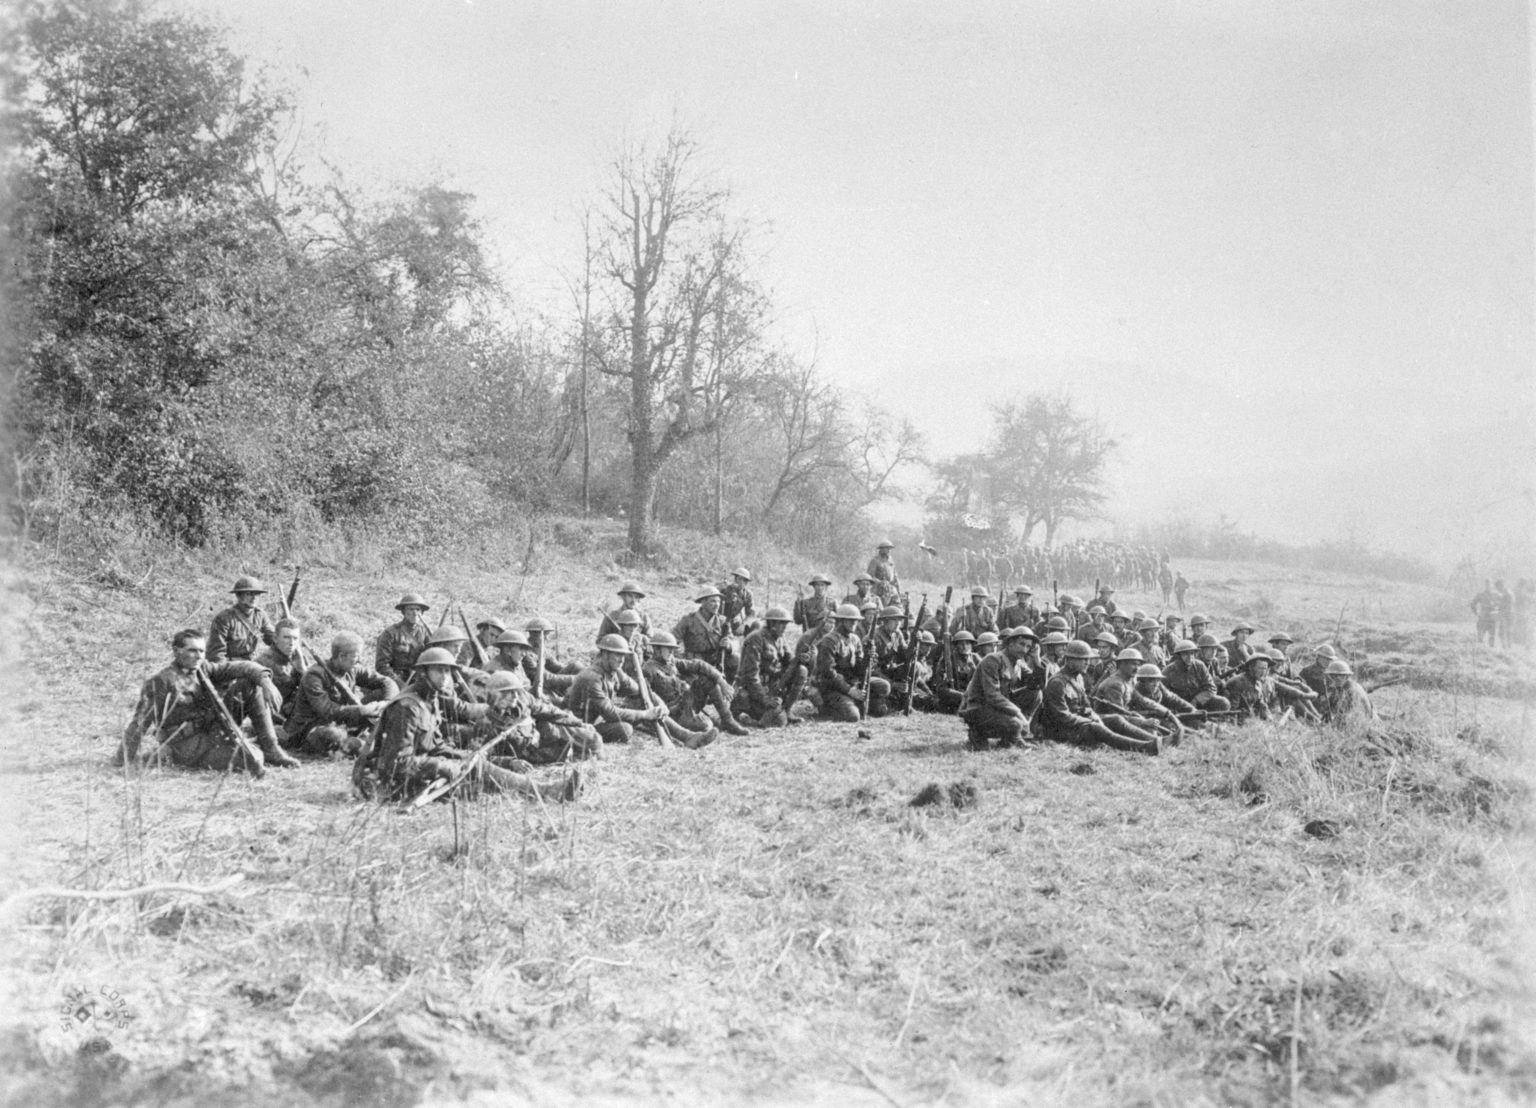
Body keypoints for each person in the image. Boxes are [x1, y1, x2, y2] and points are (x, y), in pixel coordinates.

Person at [356, 647, 578, 804]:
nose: (445, 677)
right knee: (479, 779)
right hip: (396, 783)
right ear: (423, 673)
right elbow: (395, 764)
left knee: (478, 768)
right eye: (439, 671)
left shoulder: (429, 701)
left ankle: (546, 790)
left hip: (422, 770)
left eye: (447, 671)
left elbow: (437, 746)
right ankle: (546, 791)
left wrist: (467, 757)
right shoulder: (407, 707)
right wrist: (442, 765)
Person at [116, 628, 299, 774]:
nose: (198, 656)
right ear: (176, 651)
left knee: (249, 685)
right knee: (251, 759)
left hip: (213, 731)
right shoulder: (161, 682)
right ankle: (164, 756)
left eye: (201, 651)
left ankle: (272, 749)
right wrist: (122, 758)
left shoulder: (203, 668)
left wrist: (265, 680)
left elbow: (242, 666)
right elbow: (139, 723)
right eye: (192, 651)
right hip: (188, 747)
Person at [565, 634, 712, 748]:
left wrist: (659, 705)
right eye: (617, 655)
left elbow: (639, 690)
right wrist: (645, 714)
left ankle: (687, 736)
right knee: (625, 730)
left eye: (623, 655)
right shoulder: (592, 678)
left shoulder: (614, 671)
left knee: (643, 700)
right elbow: (610, 713)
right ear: (604, 654)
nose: (621, 659)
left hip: (599, 717)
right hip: (580, 724)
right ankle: (685, 736)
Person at [1035, 640, 1162, 754]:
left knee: (1116, 719)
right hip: (1060, 730)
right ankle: (1145, 747)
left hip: (1077, 722)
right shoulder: (1057, 682)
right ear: (1070, 660)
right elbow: (1061, 716)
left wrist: (1093, 716)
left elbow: (1086, 706)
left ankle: (1155, 740)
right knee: (1096, 727)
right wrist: (1089, 720)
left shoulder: (1078, 678)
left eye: (1088, 659)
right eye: (1083, 659)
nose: (1088, 663)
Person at [285, 631, 398, 756]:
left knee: (382, 696)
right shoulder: (314, 676)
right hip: (310, 728)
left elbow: (387, 682)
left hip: (342, 722)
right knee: (332, 735)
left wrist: (386, 703)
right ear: (341, 656)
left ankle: (366, 742)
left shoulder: (353, 669)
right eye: (355, 656)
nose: (359, 660)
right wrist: (363, 711)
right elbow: (327, 711)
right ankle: (366, 745)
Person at [473, 670, 602, 764]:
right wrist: (510, 763)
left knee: (592, 738)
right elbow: (481, 757)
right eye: (508, 693)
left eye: (516, 691)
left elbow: (548, 711)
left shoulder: (522, 699)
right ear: (494, 694)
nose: (515, 696)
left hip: (543, 734)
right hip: (530, 754)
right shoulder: (484, 724)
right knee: (572, 754)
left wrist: (576, 722)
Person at [645, 631, 748, 736]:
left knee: (708, 680)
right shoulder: (648, 669)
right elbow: (645, 698)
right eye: (668, 649)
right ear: (657, 649)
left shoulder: (671, 662)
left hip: (687, 702)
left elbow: (699, 665)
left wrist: (720, 680)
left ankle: (728, 720)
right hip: (674, 713)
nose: (671, 652)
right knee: (706, 725)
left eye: (672, 649)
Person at [958, 626, 1037, 750]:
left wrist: (1037, 660)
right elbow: (992, 695)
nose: (1025, 650)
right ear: (1010, 643)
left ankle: (1014, 737)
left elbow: (1037, 684)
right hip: (978, 708)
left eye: (1028, 646)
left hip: (997, 707)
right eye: (1022, 644)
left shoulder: (1018, 662)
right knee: (1015, 724)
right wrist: (1019, 714)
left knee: (1036, 693)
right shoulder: (993, 660)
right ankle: (978, 732)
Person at [733, 606, 807, 727]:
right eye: (782, 624)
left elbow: (789, 662)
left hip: (772, 687)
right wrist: (765, 699)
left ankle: (787, 710)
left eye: (786, 624)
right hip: (753, 691)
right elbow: (751, 675)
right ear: (772, 623)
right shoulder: (755, 639)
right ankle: (747, 716)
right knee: (779, 721)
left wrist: (801, 659)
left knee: (801, 671)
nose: (784, 628)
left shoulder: (780, 639)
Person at [1092, 648, 1184, 745]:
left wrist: (1167, 713)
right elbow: (1118, 716)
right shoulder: (1115, 684)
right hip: (1107, 724)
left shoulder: (1128, 681)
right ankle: (1159, 742)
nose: (1137, 668)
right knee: (1148, 727)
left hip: (1123, 720)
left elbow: (1143, 701)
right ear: (1122, 664)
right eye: (1133, 664)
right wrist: (1142, 722)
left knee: (1152, 726)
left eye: (1138, 664)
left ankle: (1161, 739)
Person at [816, 603, 885, 722]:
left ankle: (856, 703)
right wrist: (850, 691)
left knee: (883, 687)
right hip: (833, 688)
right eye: (850, 621)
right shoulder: (829, 641)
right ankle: (827, 709)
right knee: (853, 717)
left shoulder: (855, 639)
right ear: (841, 621)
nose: (854, 624)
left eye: (856, 621)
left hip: (852, 683)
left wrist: (869, 660)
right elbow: (829, 673)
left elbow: (859, 668)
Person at [207, 576, 277, 662]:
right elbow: (217, 653)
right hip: (230, 664)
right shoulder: (224, 619)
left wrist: (282, 633)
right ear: (239, 596)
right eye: (249, 594)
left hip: (251, 662)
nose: (254, 597)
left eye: (257, 594)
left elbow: (272, 639)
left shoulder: (260, 615)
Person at [673, 587, 734, 678]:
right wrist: (682, 658)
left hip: (715, 660)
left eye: (718, 601)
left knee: (735, 659)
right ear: (703, 602)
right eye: (713, 601)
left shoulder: (722, 621)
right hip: (694, 662)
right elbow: (673, 640)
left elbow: (732, 640)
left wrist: (728, 644)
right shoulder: (689, 620)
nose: (717, 605)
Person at [375, 593, 433, 686]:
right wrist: (400, 684)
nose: (415, 613)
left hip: (418, 679)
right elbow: (382, 666)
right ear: (404, 612)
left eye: (418, 609)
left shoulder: (426, 634)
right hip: (395, 679)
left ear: (422, 613)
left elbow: (432, 660)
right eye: (411, 609)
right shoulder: (390, 633)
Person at [254, 618, 306, 719]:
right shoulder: (262, 663)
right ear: (275, 638)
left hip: (294, 712)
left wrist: (303, 670)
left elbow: (310, 689)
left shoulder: (298, 659)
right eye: (286, 637)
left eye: (295, 638)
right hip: (271, 717)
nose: (291, 643)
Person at [1161, 639, 1232, 712]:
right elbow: (1162, 694)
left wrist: (1196, 700)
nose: (1189, 657)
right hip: (1179, 705)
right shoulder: (1168, 671)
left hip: (1199, 702)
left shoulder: (1199, 666)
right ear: (1178, 656)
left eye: (1191, 654)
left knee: (1223, 703)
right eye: (1185, 654)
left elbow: (1211, 688)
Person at [1223, 651, 1278, 720]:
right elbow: (1232, 711)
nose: (1263, 672)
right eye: (1260, 668)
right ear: (1251, 668)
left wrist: (1269, 717)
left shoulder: (1257, 683)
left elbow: (1261, 704)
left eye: (1265, 668)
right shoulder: (1238, 682)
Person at [1322, 659, 1377, 726]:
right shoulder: (1345, 685)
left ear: (1346, 676)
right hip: (1360, 721)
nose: (1335, 678)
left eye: (1339, 675)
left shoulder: (1350, 690)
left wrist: (1327, 727)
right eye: (1332, 675)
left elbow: (1342, 716)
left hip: (1361, 724)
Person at [719, 567, 756, 634]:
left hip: (733, 621)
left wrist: (744, 624)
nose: (742, 582)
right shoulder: (726, 589)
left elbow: (751, 614)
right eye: (740, 579)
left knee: (754, 626)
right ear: (735, 579)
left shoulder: (747, 594)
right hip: (719, 619)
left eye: (745, 580)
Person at [1470, 580, 1498, 646]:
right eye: (1486, 585)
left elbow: (1500, 605)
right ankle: (1480, 652)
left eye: (1489, 585)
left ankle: (1492, 653)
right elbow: (1472, 604)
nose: (1488, 586)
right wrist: (1476, 612)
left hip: (1492, 619)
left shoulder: (1496, 595)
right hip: (1483, 619)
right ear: (1485, 585)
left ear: (1491, 585)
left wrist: (1497, 611)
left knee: (1492, 638)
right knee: (1480, 638)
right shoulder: (1481, 595)